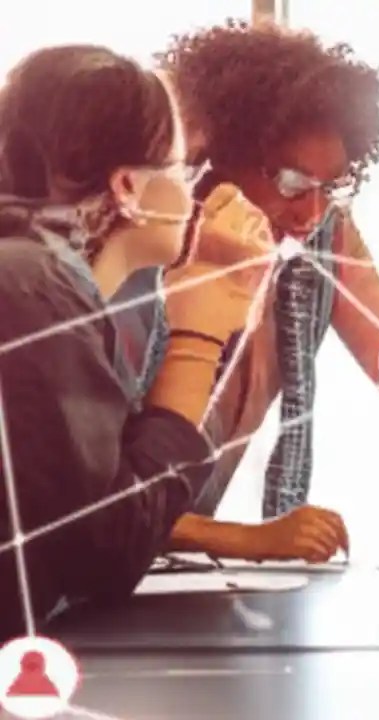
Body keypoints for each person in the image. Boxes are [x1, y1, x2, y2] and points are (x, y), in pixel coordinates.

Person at [113, 20, 379, 562]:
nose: (314, 211)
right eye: (293, 184)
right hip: (91, 579)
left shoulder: (321, 235)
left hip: (157, 572)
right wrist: (245, 540)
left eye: (333, 186)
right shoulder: (144, 256)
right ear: (222, 157)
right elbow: (83, 501)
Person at [0, 44, 269, 638]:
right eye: (183, 174)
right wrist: (199, 334)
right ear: (128, 186)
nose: (194, 196)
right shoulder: (31, 289)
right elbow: (106, 549)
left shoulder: (34, 277)